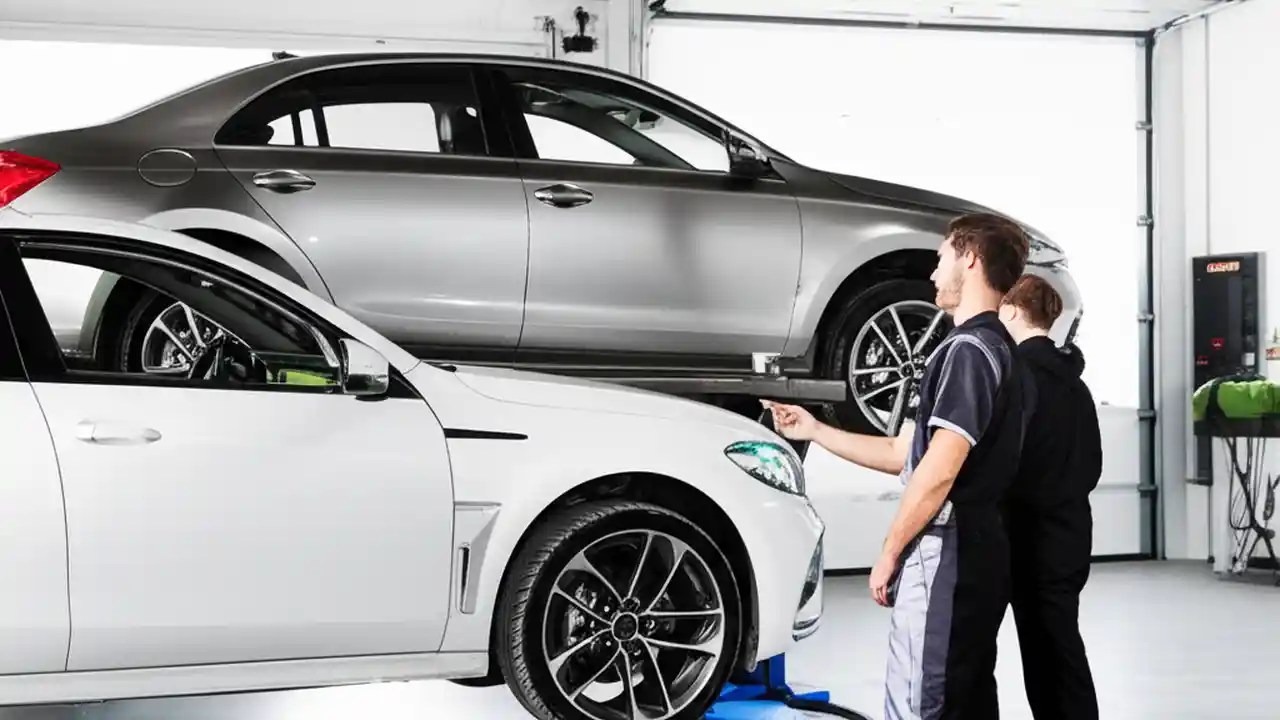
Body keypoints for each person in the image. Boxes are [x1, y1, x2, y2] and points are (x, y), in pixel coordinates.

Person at [765, 212, 1033, 720]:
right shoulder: (994, 350)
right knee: (963, 693)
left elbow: (941, 469)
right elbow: (903, 454)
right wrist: (815, 431)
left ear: (970, 259)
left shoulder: (969, 352)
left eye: (941, 259)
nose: (934, 274)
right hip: (978, 549)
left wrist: (891, 551)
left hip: (948, 550)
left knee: (919, 699)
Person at [997, 274, 1102, 720]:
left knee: (1048, 658)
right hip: (1073, 533)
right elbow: (1092, 463)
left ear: (1012, 311)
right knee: (1058, 646)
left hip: (1030, 538)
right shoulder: (1077, 385)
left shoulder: (1017, 376)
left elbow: (1010, 462)